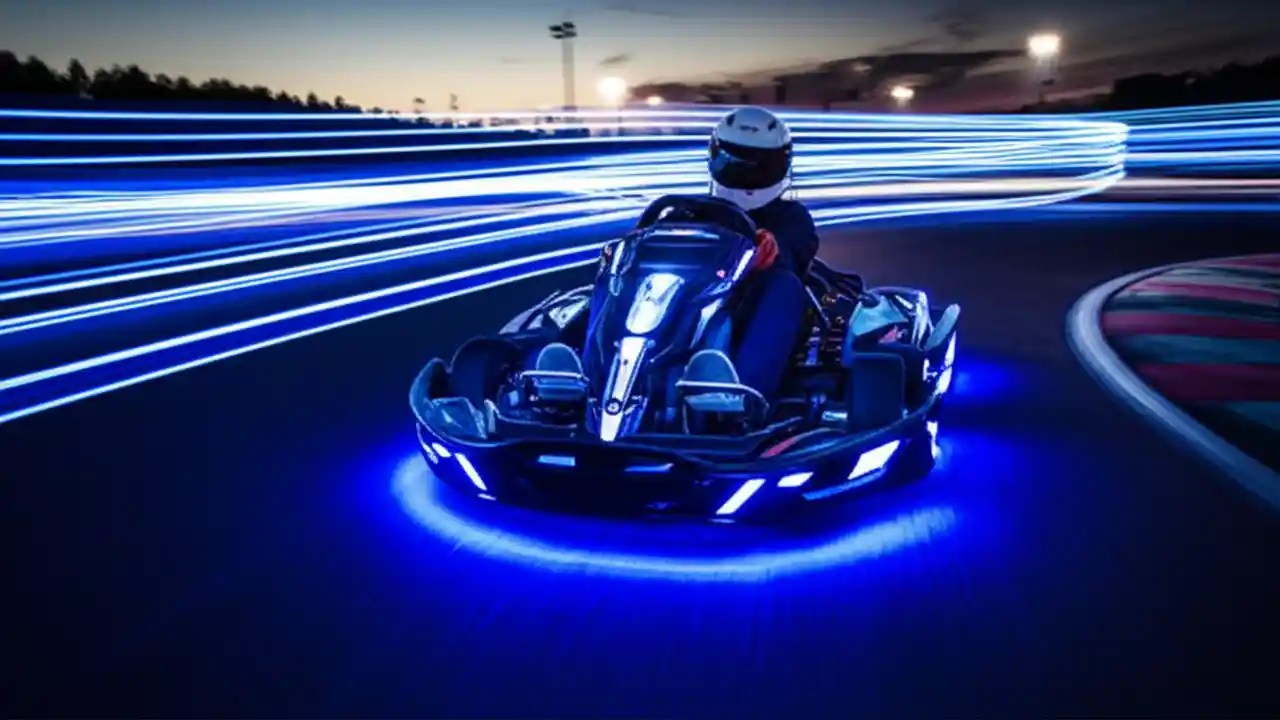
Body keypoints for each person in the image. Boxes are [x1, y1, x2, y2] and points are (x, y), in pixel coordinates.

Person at [685, 105, 818, 402]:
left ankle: (742, 396)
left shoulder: (791, 217)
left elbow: (794, 254)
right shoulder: (692, 211)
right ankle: (590, 378)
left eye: (759, 166)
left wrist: (767, 248)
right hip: (686, 298)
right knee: (615, 278)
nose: (746, 174)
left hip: (747, 307)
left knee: (785, 285)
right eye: (735, 162)